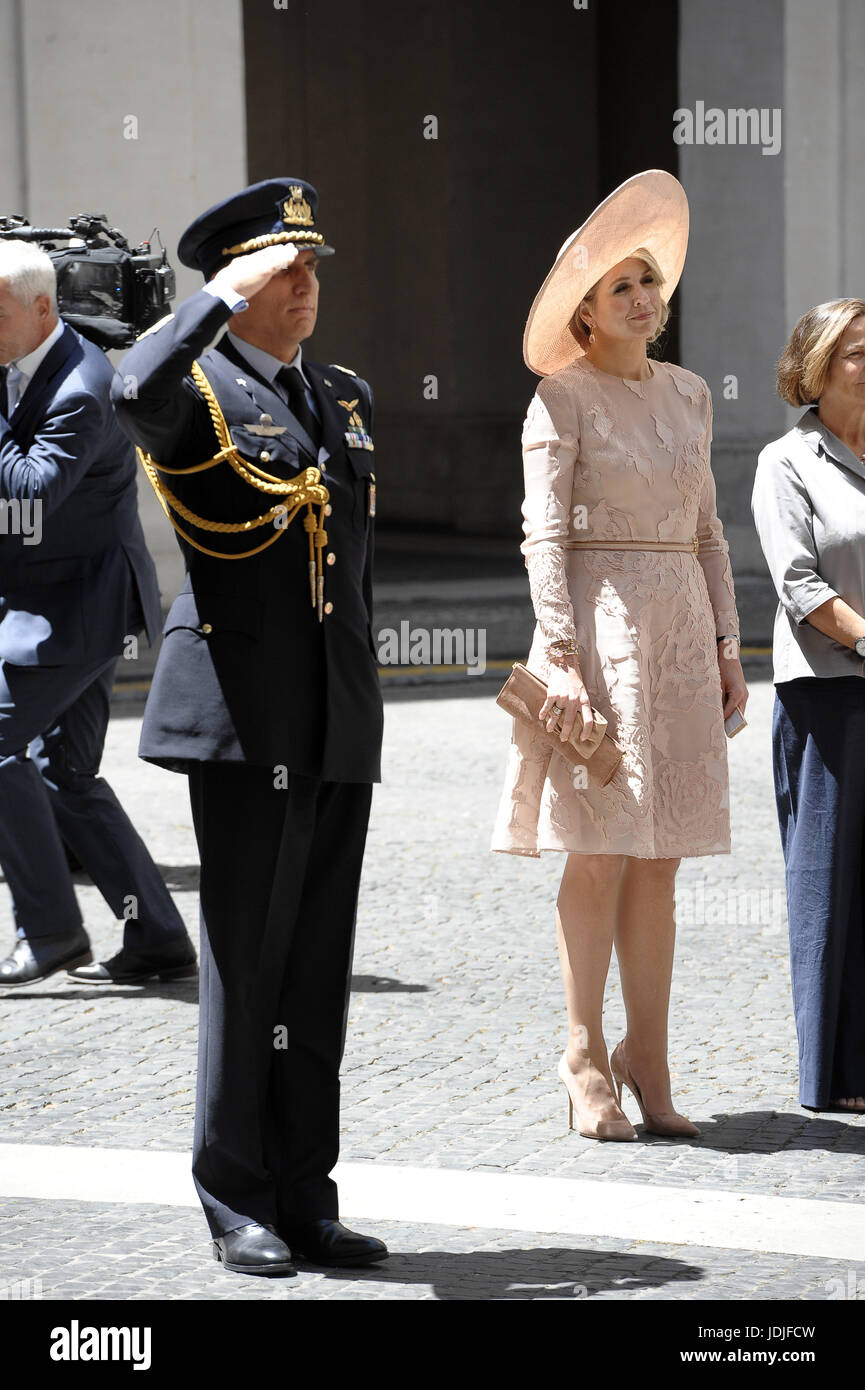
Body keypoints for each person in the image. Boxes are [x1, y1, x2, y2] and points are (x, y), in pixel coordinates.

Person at [111, 178, 386, 1276]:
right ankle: (234, 1194)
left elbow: (354, 574)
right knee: (245, 963)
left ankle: (305, 1191)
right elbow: (132, 387)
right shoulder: (198, 388)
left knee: (315, 966)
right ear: (236, 279)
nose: (307, 284)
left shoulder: (346, 395)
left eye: (313, 267)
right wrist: (210, 306)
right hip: (240, 720)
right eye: (284, 269)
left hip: (333, 719)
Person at [492, 170, 747, 1141]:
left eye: (649, 282)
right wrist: (559, 657)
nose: (643, 299)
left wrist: (727, 644)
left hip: (681, 632)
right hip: (594, 635)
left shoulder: (687, 395)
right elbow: (542, 534)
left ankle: (650, 1056)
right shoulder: (560, 397)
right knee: (597, 850)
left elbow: (709, 532)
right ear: (586, 315)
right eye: (620, 289)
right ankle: (580, 1051)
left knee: (662, 858)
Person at [0, 240, 196, 988]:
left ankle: (50, 932)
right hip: (49, 599)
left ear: (42, 307)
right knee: (65, 775)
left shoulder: (83, 386)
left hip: (79, 608)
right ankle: (158, 939)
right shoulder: (21, 364)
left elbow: (26, 498)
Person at [752, 298, 865, 1115]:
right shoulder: (786, 462)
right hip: (828, 695)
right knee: (830, 883)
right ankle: (835, 1073)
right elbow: (797, 582)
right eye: (858, 352)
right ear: (816, 369)